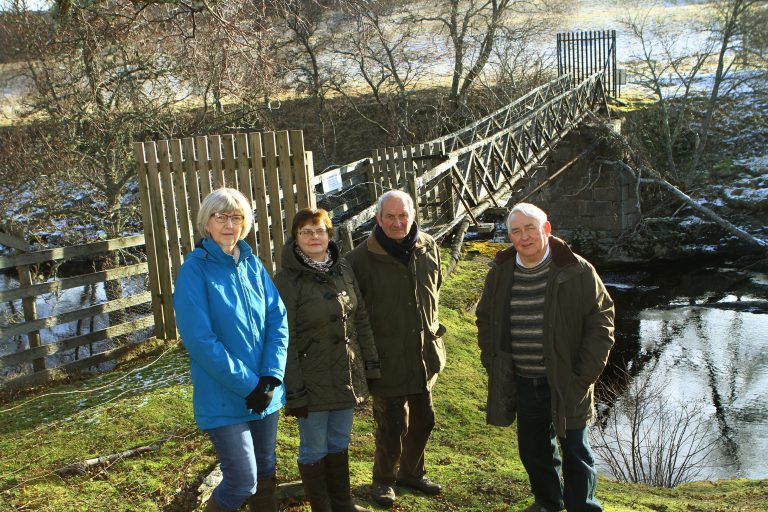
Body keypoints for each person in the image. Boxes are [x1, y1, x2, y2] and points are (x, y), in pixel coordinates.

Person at [475, 202, 615, 512]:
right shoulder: (501, 271)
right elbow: (485, 318)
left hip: (569, 379)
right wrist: (493, 361)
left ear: (546, 230)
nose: (524, 237)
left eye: (530, 229)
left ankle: (584, 507)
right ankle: (548, 503)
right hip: (523, 379)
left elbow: (601, 322)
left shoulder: (576, 270)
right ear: (509, 236)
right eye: (515, 231)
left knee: (576, 451)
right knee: (534, 450)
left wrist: (584, 375)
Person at [173, 187, 289, 512]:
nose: (228, 224)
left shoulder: (253, 264)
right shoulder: (194, 271)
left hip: (265, 392)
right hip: (224, 397)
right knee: (242, 480)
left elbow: (277, 320)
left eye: (235, 217)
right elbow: (200, 341)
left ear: (245, 222)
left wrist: (271, 378)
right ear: (206, 222)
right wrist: (250, 385)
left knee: (266, 469)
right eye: (220, 216)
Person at [274, 208, 381, 512]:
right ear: (295, 238)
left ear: (329, 235)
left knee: (339, 441)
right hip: (311, 379)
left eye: (319, 230)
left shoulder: (343, 268)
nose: (314, 237)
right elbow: (286, 337)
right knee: (314, 447)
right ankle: (322, 507)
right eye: (306, 232)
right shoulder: (287, 279)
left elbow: (360, 319)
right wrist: (294, 390)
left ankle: (342, 503)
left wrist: (370, 364)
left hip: (345, 373)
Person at [346, 190, 446, 507]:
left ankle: (412, 473)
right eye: (389, 216)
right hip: (385, 358)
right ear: (378, 218)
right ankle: (383, 480)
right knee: (391, 426)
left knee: (424, 419)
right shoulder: (360, 258)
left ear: (413, 214)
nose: (397, 222)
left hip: (423, 354)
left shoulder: (428, 247)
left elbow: (435, 289)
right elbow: (354, 312)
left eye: (403, 215)